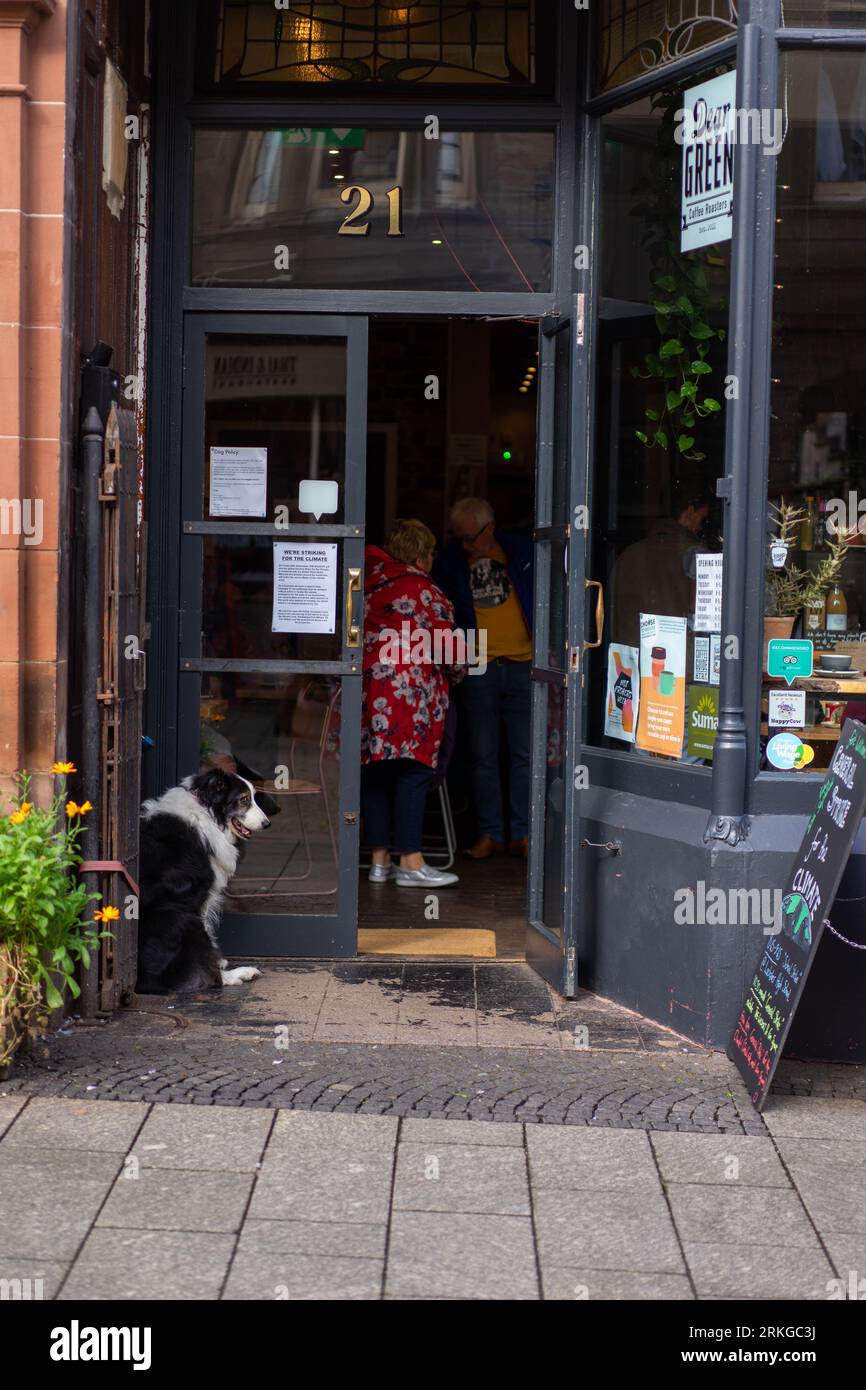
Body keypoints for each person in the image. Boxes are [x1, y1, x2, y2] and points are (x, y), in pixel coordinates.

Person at [361, 519, 462, 888]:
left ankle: (378, 862)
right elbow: (450, 652)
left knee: (375, 775)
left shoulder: (368, 583)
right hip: (411, 700)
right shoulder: (424, 590)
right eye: (432, 552)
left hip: (371, 695)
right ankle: (411, 861)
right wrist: (460, 671)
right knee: (414, 772)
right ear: (421, 555)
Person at [434, 497, 533, 860]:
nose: (464, 544)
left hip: (524, 664)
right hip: (478, 666)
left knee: (525, 755)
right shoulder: (450, 561)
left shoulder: (523, 551)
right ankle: (490, 832)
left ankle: (522, 833)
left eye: (470, 537)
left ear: (488, 529)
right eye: (458, 537)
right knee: (483, 755)